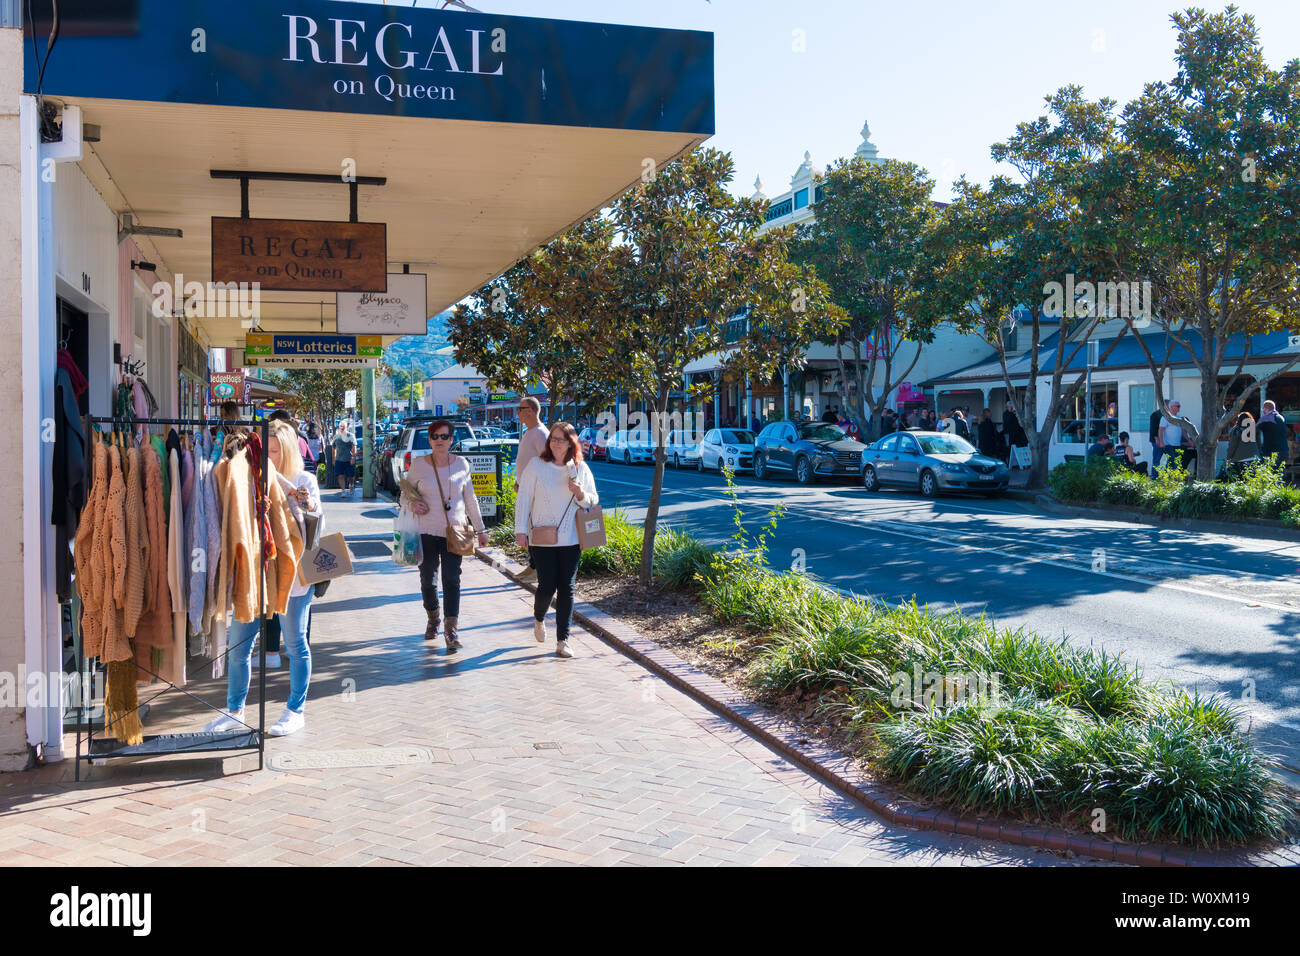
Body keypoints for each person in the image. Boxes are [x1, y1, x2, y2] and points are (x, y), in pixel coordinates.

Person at [205, 420, 320, 737]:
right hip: (256, 576)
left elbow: (314, 524)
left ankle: (295, 710)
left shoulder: (302, 478)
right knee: (239, 645)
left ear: (289, 450)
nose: (270, 454)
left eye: (276, 450)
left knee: (295, 644)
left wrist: (304, 503)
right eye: (267, 449)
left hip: (294, 577)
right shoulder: (252, 474)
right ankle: (235, 710)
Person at [514, 422, 599, 659]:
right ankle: (539, 618)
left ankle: (563, 640)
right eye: (553, 438)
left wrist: (580, 494)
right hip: (542, 538)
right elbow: (523, 499)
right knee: (546, 586)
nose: (556, 443)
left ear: (571, 443)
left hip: (571, 538)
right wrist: (520, 530)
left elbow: (593, 499)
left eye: (561, 439)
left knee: (567, 588)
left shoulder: (580, 468)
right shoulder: (537, 466)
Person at [404, 420, 488, 650]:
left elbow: (470, 499)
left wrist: (480, 529)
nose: (439, 440)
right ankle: (433, 619)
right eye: (434, 436)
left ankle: (452, 631)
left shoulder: (462, 464)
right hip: (426, 531)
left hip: (456, 532)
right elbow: (405, 496)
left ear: (452, 439)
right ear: (429, 440)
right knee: (428, 580)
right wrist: (412, 504)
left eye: (444, 436)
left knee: (452, 580)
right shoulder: (419, 465)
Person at [513, 396, 548, 584]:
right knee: (529, 529)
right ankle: (533, 566)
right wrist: (520, 483)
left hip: (536, 493)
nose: (517, 412)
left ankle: (538, 569)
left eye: (520, 409)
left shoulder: (541, 433)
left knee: (535, 531)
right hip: (527, 490)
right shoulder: (530, 432)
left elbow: (547, 463)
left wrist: (532, 486)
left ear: (531, 411)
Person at [1159, 400, 1196, 471]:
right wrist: (1161, 442)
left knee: (1176, 461)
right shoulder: (1166, 418)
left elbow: (1182, 431)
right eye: (1178, 406)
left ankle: (1173, 478)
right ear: (1171, 407)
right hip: (1168, 444)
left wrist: (1189, 440)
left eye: (1179, 406)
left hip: (1177, 444)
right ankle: (1168, 478)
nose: (1179, 408)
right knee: (1171, 461)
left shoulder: (1179, 417)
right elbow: (1160, 430)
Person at [1258, 401, 1289, 472]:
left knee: (1269, 474)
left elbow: (1254, 432)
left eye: (1263, 408)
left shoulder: (1265, 418)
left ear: (1265, 408)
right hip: (1284, 450)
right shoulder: (1281, 417)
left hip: (1271, 451)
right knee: (1279, 475)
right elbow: (1288, 432)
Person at [332, 421, 357, 493]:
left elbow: (354, 447)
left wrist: (353, 458)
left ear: (346, 427)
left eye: (343, 426)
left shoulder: (351, 436)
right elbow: (333, 448)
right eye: (340, 426)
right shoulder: (336, 436)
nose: (342, 428)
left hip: (348, 459)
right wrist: (333, 459)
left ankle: (351, 485)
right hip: (339, 459)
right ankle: (343, 490)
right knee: (340, 475)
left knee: (350, 476)